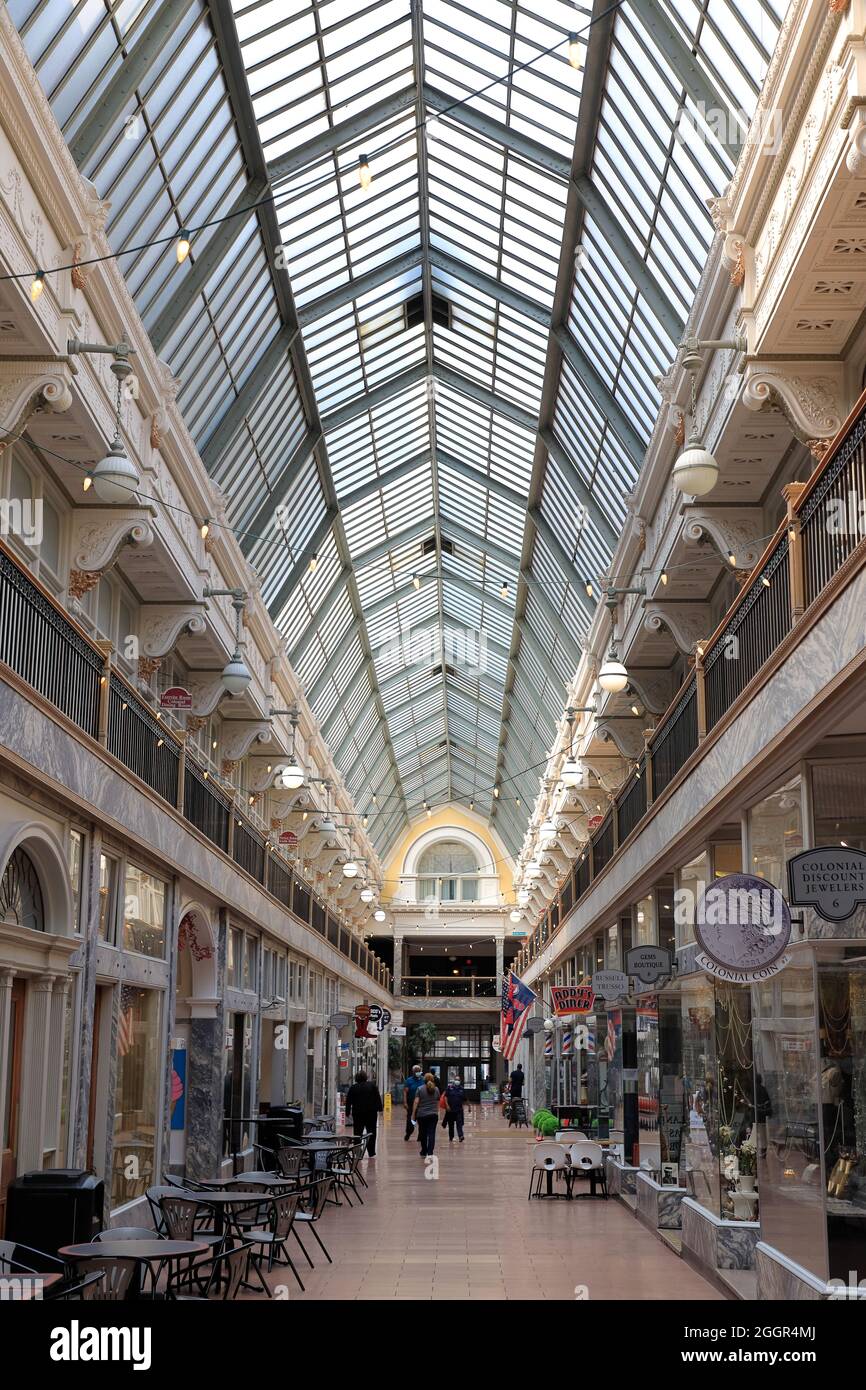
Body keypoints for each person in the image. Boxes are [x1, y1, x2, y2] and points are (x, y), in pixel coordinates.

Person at [345, 1069, 383, 1158]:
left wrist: (347, 1112)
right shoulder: (372, 1086)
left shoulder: (353, 1088)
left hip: (358, 1114)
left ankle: (358, 1152)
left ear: (356, 1078)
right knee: (372, 1132)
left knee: (357, 1132)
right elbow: (377, 1098)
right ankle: (371, 1152)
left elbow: (349, 1101)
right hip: (371, 1113)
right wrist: (380, 1109)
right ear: (366, 1077)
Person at [412, 1072, 441, 1157]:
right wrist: (436, 1111)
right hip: (433, 1115)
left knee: (423, 1133)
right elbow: (438, 1101)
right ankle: (430, 1152)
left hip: (422, 1115)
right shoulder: (436, 1089)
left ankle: (423, 1151)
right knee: (432, 1133)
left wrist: (413, 1114)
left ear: (424, 1080)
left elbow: (416, 1102)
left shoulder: (419, 1089)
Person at [403, 1063, 425, 1141]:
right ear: (413, 1072)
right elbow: (405, 1092)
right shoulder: (409, 1081)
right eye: (416, 1071)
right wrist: (405, 1102)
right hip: (411, 1103)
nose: (418, 1072)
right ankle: (408, 1133)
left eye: (419, 1071)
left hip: (421, 1103)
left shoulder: (423, 1079)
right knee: (411, 1120)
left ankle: (420, 1136)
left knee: (422, 1121)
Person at [443, 1079, 465, 1143]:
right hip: (451, 1110)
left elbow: (465, 1098)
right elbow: (445, 1097)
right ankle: (451, 1137)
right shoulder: (449, 1088)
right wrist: (447, 1105)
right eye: (456, 1080)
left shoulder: (461, 1089)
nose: (457, 1081)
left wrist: (469, 1106)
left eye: (458, 1080)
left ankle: (460, 1136)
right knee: (451, 1125)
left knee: (459, 1124)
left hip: (459, 1110)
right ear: (454, 1081)